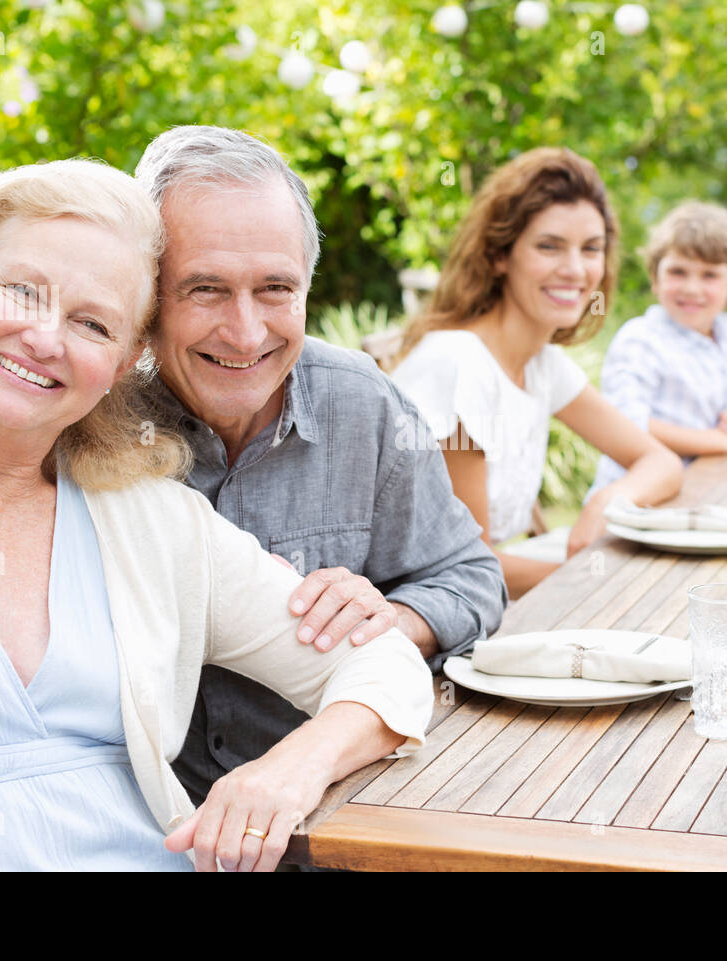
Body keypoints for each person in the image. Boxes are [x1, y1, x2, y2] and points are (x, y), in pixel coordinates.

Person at [0, 159, 431, 872]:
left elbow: (381, 664)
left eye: (91, 323)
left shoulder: (148, 522)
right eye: (20, 291)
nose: (45, 339)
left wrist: (290, 767)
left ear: (125, 360)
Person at [130, 127, 506, 805]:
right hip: (146, 828)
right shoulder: (87, 418)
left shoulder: (363, 403)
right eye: (206, 289)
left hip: (337, 813)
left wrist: (388, 617)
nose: (246, 333)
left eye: (276, 289)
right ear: (146, 291)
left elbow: (472, 577)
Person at [390, 147, 683, 599]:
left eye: (591, 249)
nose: (575, 270)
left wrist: (607, 502)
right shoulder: (458, 364)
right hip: (418, 622)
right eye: (549, 246)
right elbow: (469, 568)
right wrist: (595, 575)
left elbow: (660, 463)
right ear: (499, 256)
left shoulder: (542, 364)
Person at [591, 201, 727, 493]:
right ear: (655, 278)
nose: (692, 289)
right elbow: (627, 424)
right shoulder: (640, 340)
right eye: (678, 272)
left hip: (709, 491)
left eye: (709, 275)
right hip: (636, 499)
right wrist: (720, 442)